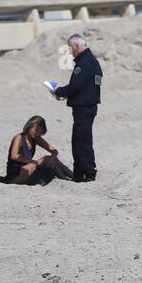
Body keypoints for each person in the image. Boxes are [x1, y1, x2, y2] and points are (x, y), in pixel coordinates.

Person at [54, 33, 103, 182]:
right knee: (78, 141)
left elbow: (76, 85)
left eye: (71, 48)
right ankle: (79, 173)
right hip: (87, 106)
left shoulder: (85, 63)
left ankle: (88, 173)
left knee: (82, 142)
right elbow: (85, 86)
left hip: (84, 108)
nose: (70, 51)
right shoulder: (91, 61)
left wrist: (58, 91)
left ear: (76, 46)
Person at [4, 115, 74, 185]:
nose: (37, 133)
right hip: (15, 174)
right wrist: (33, 161)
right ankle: (66, 178)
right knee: (45, 159)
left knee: (50, 160)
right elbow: (14, 156)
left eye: (40, 132)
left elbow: (53, 150)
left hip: (29, 170)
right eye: (36, 130)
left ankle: (72, 176)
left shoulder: (36, 138)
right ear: (29, 126)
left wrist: (53, 156)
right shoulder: (19, 137)